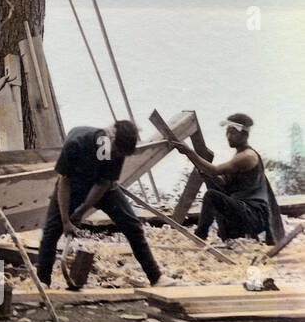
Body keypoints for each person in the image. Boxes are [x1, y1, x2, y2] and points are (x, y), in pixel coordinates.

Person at [36, 120, 171, 288]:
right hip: (73, 184)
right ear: (110, 138)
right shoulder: (76, 144)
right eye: (115, 152)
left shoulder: (116, 149)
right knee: (52, 230)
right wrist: (66, 220)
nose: (116, 156)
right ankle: (43, 282)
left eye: (119, 154)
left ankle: (156, 277)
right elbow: (64, 181)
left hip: (102, 186)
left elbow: (103, 183)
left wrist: (81, 212)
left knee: (132, 226)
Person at [171, 113, 285, 248]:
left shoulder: (247, 157)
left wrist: (189, 152)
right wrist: (204, 172)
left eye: (232, 133)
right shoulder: (239, 154)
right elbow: (222, 182)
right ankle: (227, 235)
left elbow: (214, 170)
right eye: (227, 132)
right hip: (245, 212)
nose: (228, 137)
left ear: (244, 135)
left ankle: (200, 237)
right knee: (211, 184)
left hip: (254, 215)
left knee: (211, 195)